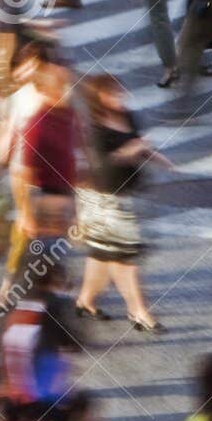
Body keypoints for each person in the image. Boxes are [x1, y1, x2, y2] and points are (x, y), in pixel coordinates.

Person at [74, 74, 169, 329]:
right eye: (112, 93)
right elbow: (105, 164)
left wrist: (156, 157)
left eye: (120, 91)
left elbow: (139, 144)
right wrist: (134, 149)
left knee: (102, 254)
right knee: (125, 257)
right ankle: (138, 311)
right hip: (103, 200)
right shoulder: (93, 128)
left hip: (126, 195)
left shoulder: (127, 116)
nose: (120, 96)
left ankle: (85, 301)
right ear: (97, 98)